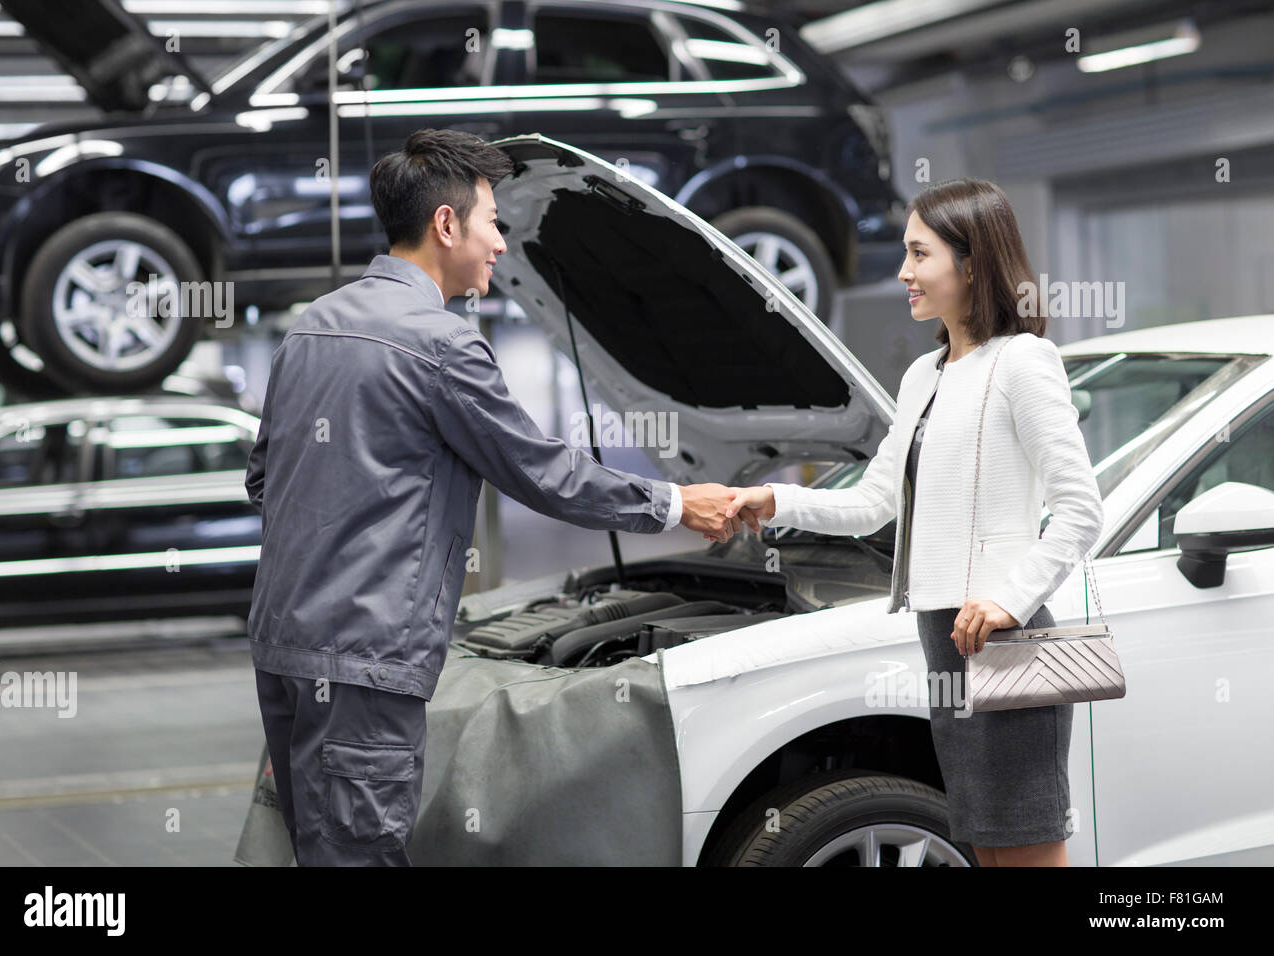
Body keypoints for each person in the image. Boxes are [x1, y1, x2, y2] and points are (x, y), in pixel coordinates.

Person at [244, 128, 741, 866]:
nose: (501, 244)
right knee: (359, 854)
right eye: (492, 223)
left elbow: (263, 478)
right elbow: (542, 471)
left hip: (282, 645)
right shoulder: (442, 344)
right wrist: (675, 504)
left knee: (320, 849)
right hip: (367, 659)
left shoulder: (311, 328)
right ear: (446, 225)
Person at [724, 178, 1104, 868]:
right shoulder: (925, 373)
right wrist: (779, 502)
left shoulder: (1022, 361)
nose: (904, 272)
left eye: (919, 254)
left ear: (971, 262)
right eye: (905, 252)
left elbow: (1082, 510)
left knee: (1027, 848)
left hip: (1004, 638)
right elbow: (876, 501)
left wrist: (1007, 600)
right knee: (986, 847)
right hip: (944, 638)